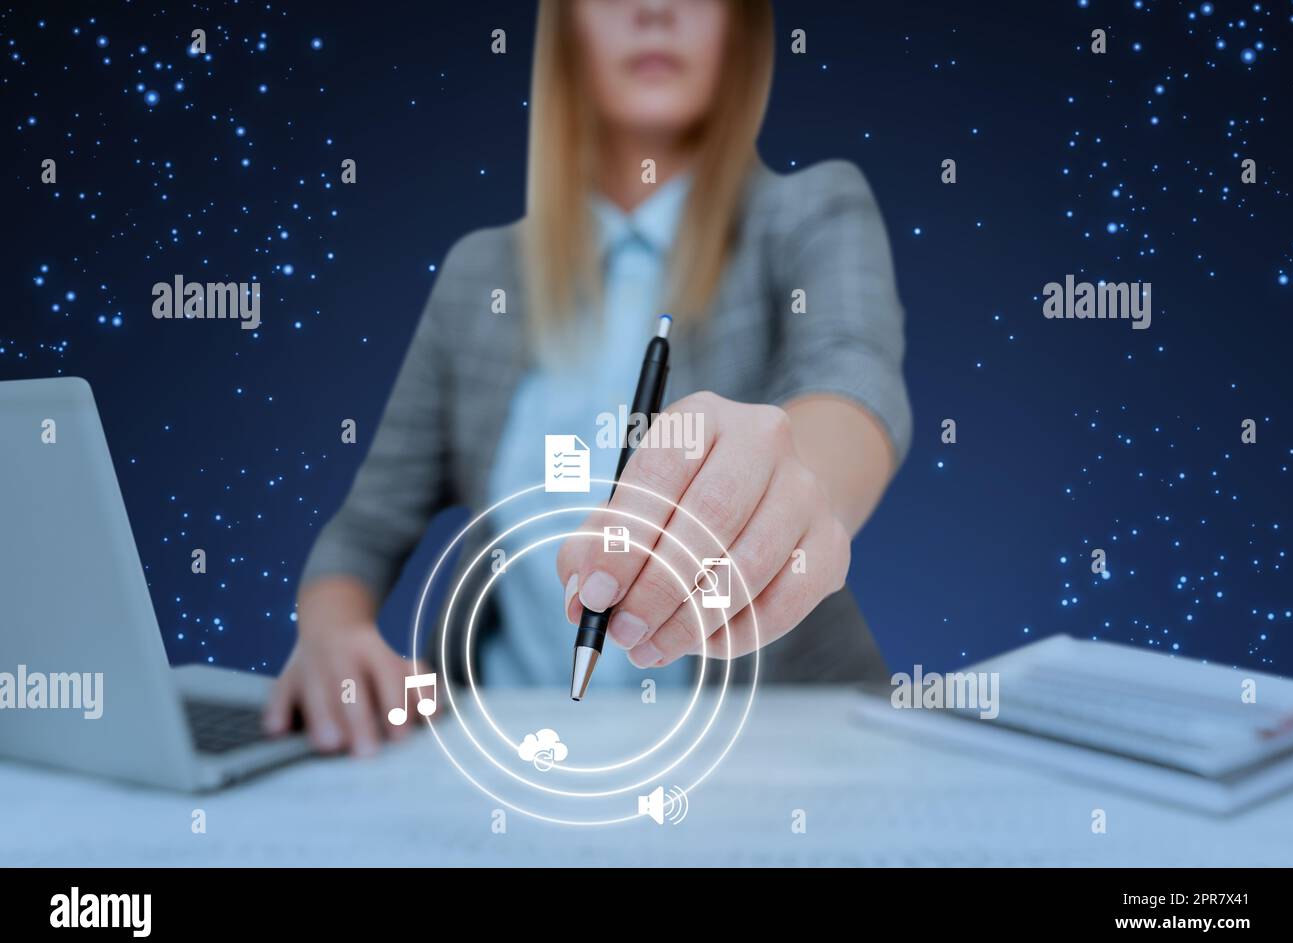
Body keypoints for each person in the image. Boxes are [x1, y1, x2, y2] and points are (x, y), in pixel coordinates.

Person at [264, 0, 911, 756]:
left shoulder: (812, 211)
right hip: (500, 752)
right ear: (566, 26)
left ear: (739, 27)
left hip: (762, 763)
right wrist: (333, 632)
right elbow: (364, 531)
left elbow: (853, 377)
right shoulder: (481, 274)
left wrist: (798, 483)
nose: (654, 11)